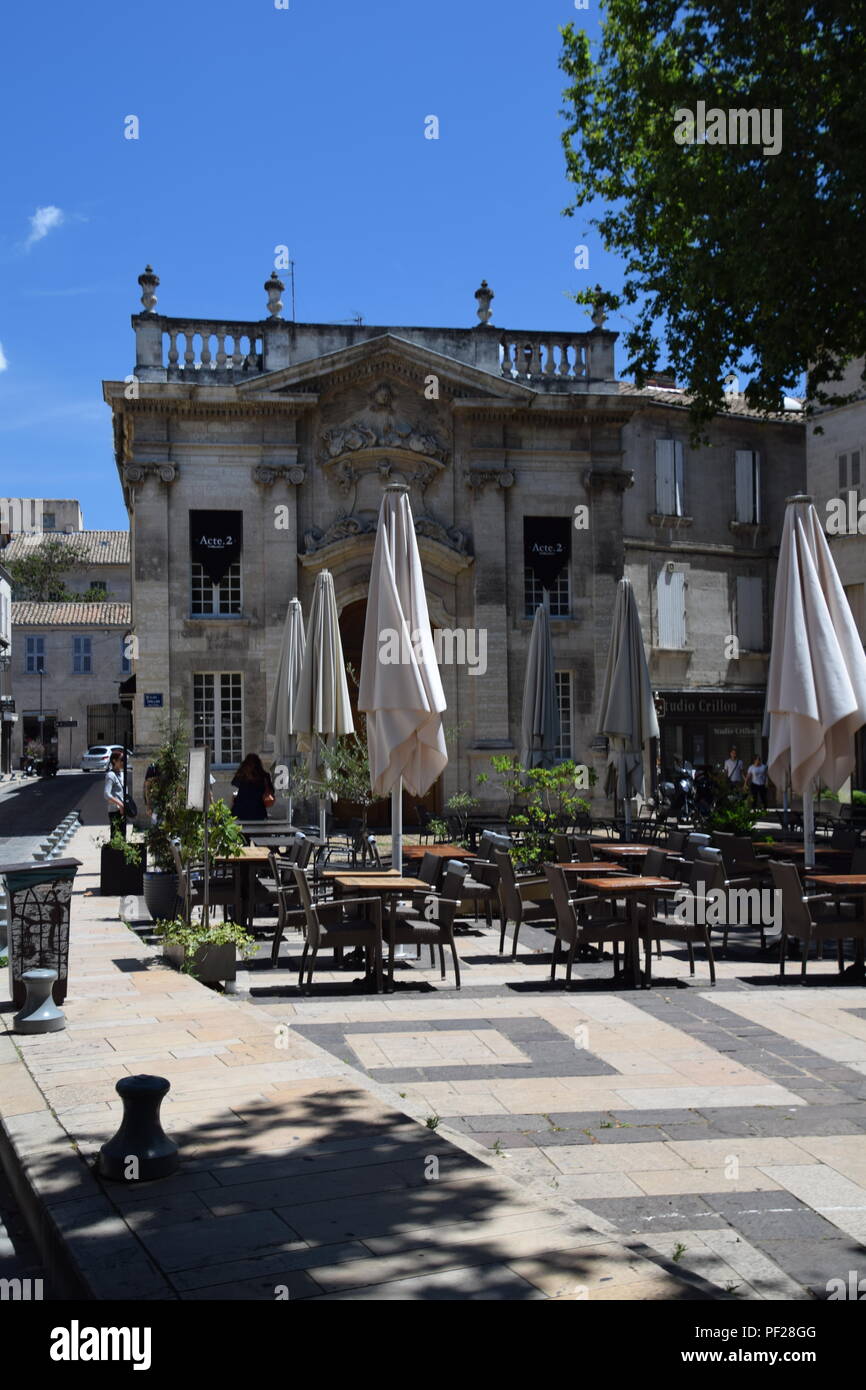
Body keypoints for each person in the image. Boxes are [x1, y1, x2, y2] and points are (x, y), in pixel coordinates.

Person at [230, 753, 275, 820]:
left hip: (241, 809)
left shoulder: (243, 776)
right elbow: (271, 791)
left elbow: (234, 783)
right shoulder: (264, 776)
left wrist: (244, 772)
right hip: (258, 810)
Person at [104, 749, 126, 838]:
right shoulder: (110, 775)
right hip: (115, 811)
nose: (123, 762)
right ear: (114, 761)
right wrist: (120, 804)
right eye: (121, 760)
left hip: (123, 811)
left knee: (123, 836)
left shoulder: (122, 774)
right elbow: (106, 794)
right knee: (116, 837)